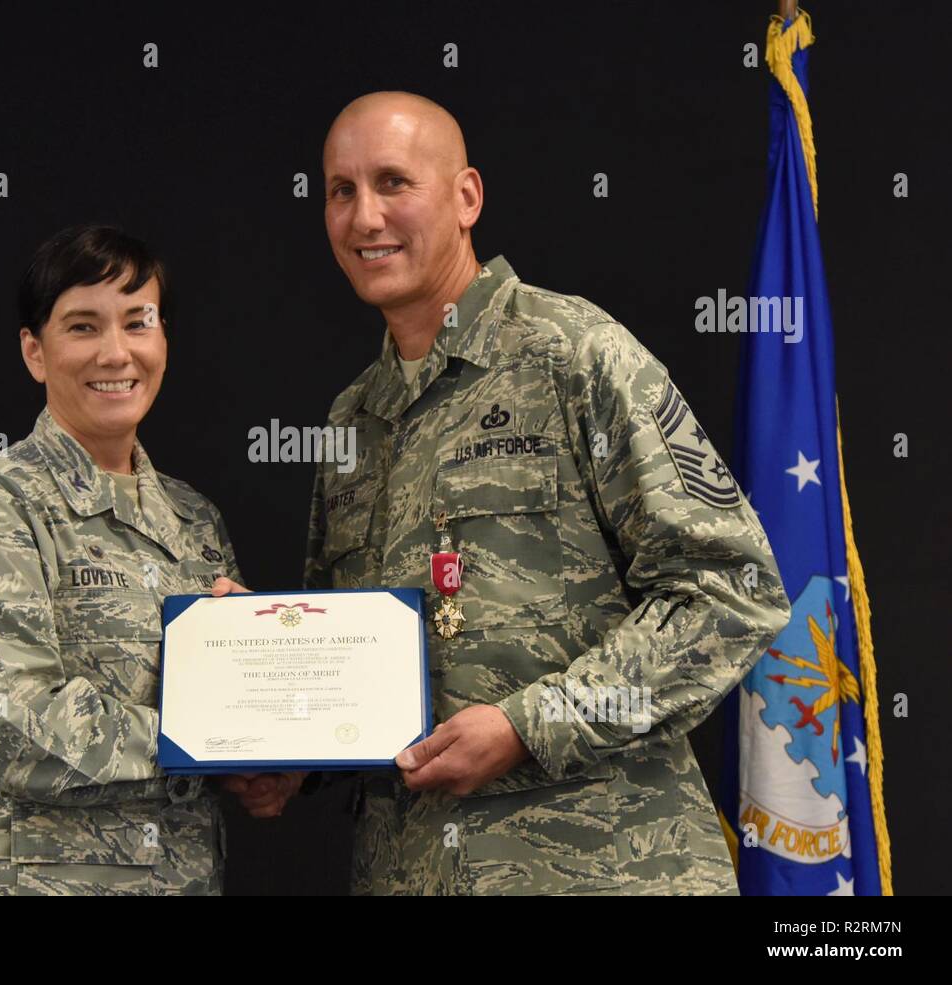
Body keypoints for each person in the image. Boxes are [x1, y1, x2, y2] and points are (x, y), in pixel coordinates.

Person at [301, 92, 793, 894]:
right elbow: (345, 668)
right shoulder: (353, 421)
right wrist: (270, 741)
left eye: (394, 183)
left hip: (607, 869)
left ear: (467, 197)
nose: (364, 218)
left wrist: (534, 724)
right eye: (341, 191)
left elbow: (731, 592)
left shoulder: (576, 356)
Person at [0, 225, 243, 894]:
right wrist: (208, 741)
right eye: (83, 327)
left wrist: (269, 754)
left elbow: (238, 713)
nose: (116, 352)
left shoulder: (194, 521)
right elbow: (9, 726)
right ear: (36, 352)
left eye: (137, 322)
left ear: (164, 340)